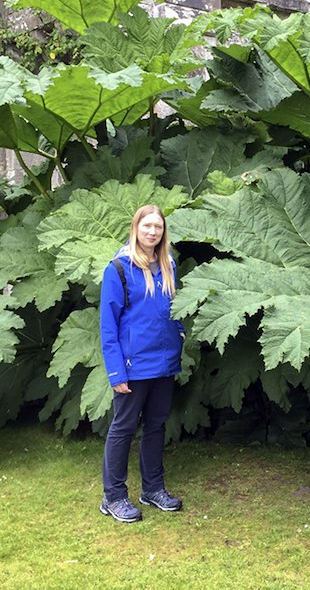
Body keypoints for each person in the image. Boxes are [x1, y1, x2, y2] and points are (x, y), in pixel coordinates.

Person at [99, 204, 185, 523]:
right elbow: (108, 326)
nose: (153, 231)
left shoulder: (168, 265)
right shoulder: (118, 269)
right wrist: (116, 370)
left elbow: (170, 308)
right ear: (136, 228)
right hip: (133, 365)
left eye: (158, 227)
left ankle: (153, 489)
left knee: (156, 426)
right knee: (123, 428)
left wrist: (181, 332)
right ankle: (113, 496)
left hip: (164, 361)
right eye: (147, 226)